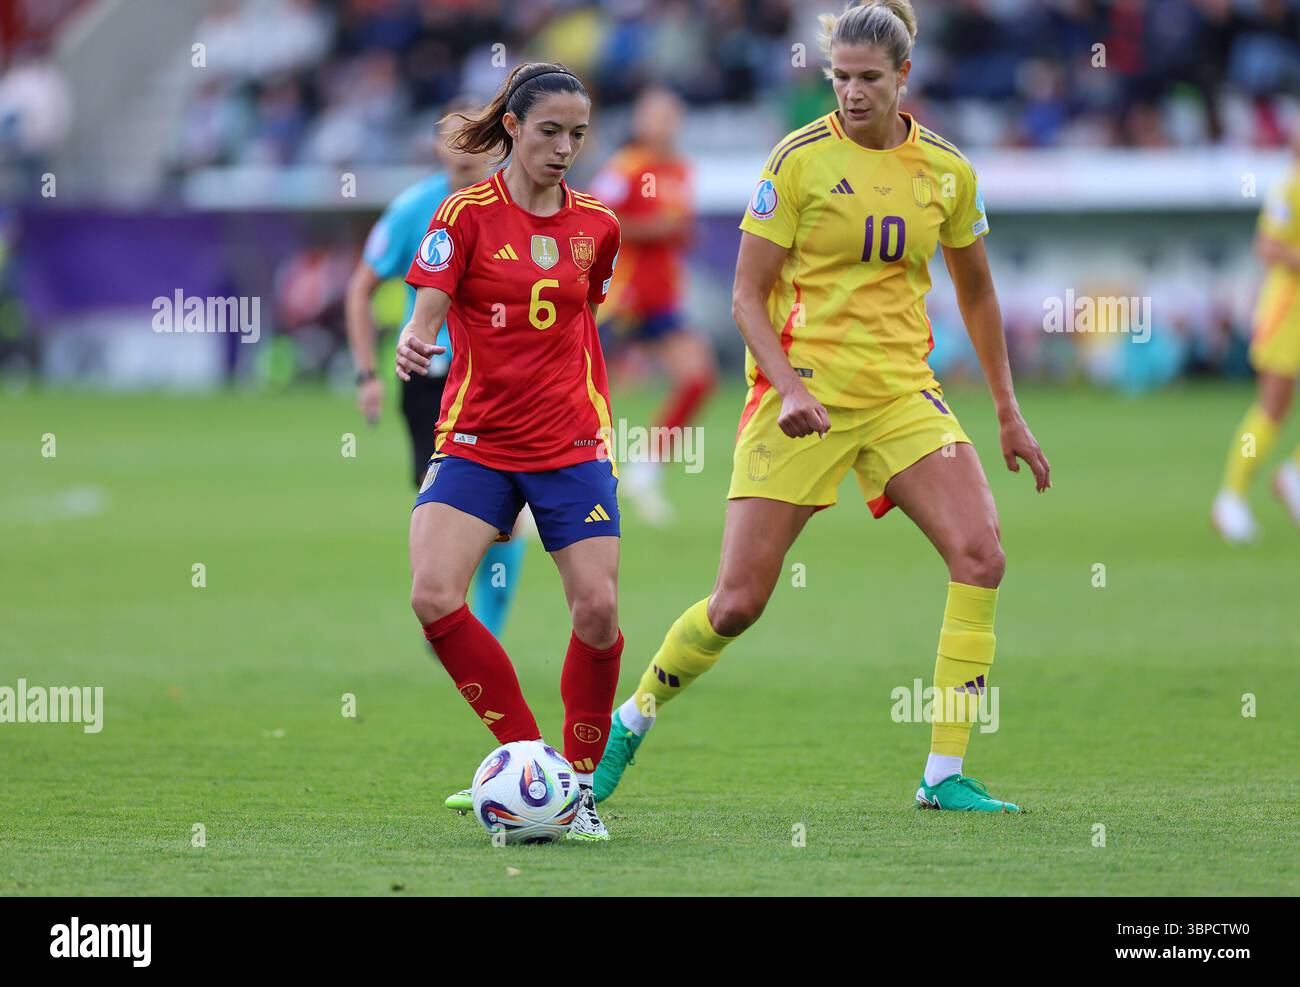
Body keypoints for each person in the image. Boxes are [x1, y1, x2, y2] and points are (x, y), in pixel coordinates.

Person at [595, 0, 1050, 812]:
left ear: (904, 77)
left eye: (869, 78)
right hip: (798, 394)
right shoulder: (797, 160)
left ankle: (942, 777)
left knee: (982, 556)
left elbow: (977, 292)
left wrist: (1008, 409)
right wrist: (793, 387)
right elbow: (745, 296)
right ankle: (632, 719)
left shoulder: (947, 171)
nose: (850, 93)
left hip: (903, 395)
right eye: (839, 77)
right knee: (737, 603)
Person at [396, 62, 623, 840]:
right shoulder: (462, 213)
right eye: (551, 131)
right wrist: (417, 337)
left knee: (596, 610)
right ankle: (531, 758)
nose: (565, 147)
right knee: (433, 593)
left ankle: (581, 784)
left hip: (569, 438)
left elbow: (587, 315)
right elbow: (430, 298)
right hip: (477, 437)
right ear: (516, 128)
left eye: (578, 135)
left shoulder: (599, 226)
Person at [346, 102, 525, 638]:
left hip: (497, 379)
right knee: (445, 505)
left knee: (506, 511)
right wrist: (366, 374)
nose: (462, 148)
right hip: (432, 380)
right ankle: (450, 610)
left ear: (495, 146)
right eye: (452, 138)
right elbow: (361, 287)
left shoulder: (518, 209)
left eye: (473, 139)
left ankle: (486, 625)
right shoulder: (414, 208)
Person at [589, 87, 717, 525]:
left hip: (661, 299)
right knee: (575, 392)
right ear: (641, 122)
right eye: (655, 116)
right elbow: (597, 222)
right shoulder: (624, 168)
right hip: (620, 298)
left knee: (698, 378)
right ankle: (539, 484)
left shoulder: (681, 169)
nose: (662, 125)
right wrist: (653, 228)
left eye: (670, 117)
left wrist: (679, 233)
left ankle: (647, 470)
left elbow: (677, 226)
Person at [1212, 123, 1300, 543]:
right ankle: (1231, 497)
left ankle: (1292, 476)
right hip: (1287, 312)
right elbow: (1267, 246)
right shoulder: (1289, 188)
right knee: (1273, 407)